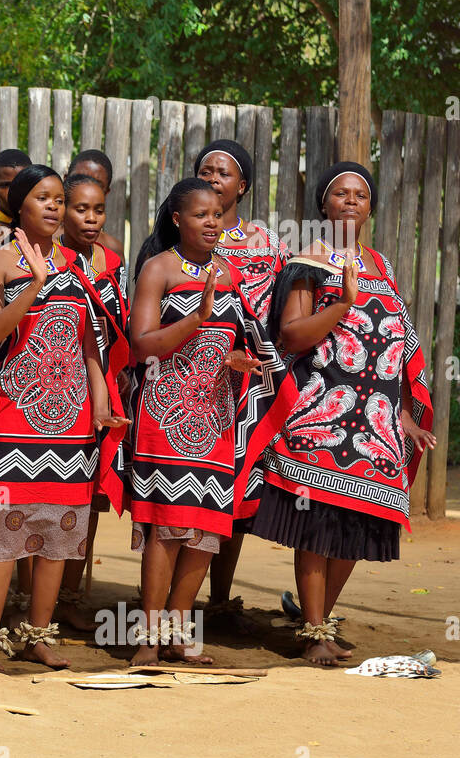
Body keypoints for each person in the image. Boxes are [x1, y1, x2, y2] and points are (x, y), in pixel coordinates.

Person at [252, 162, 435, 666]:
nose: (351, 201)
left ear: (370, 207)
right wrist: (343, 303)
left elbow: (396, 347)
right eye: (341, 194)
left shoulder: (382, 265)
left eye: (360, 195)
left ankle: (322, 623)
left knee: (359, 524)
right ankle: (313, 631)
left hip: (377, 423)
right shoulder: (309, 261)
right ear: (324, 206)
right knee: (316, 526)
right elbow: (291, 335)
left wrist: (405, 414)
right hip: (323, 411)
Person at [122, 177, 295, 666]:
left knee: (203, 532)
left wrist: (239, 359)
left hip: (217, 420)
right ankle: (148, 638)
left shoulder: (227, 274)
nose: (212, 222)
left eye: (217, 214)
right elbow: (140, 345)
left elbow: (235, 339)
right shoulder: (157, 269)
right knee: (166, 530)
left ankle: (179, 633)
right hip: (165, 416)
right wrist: (192, 322)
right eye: (201, 214)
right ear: (178, 219)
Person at [0, 165, 130, 669]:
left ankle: (39, 635)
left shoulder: (81, 265)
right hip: (13, 416)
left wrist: (101, 399)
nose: (55, 207)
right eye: (44, 198)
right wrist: (34, 285)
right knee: (8, 529)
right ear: (19, 206)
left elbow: (90, 344)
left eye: (60, 199)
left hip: (73, 417)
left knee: (61, 529)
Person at [193, 139, 292, 629]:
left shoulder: (267, 243)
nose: (214, 178)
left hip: (250, 385)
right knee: (190, 490)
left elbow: (280, 312)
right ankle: (170, 601)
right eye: (206, 170)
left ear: (243, 186)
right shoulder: (184, 236)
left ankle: (221, 599)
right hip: (190, 379)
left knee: (238, 490)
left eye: (224, 173)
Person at [57, 172, 131, 629]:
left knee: (88, 497)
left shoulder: (112, 261)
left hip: (102, 385)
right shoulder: (51, 260)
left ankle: (67, 595)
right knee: (46, 497)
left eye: (97, 210)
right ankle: (34, 599)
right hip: (55, 386)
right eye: (80, 209)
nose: (89, 218)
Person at [65, 149, 124, 255]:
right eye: (79, 179)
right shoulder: (44, 241)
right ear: (65, 180)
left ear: (106, 192)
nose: (88, 188)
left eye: (97, 184)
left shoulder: (112, 250)